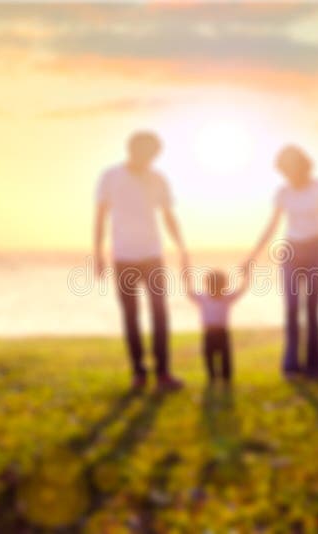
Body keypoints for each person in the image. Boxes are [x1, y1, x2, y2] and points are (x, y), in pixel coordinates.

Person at [94, 131, 188, 392]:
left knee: (160, 313)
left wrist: (182, 247)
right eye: (146, 153)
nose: (150, 159)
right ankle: (138, 372)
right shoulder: (110, 177)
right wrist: (98, 254)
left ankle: (163, 373)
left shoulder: (158, 179)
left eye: (153, 155)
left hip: (152, 256)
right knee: (130, 315)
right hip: (123, 257)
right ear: (132, 150)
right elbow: (100, 216)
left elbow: (168, 214)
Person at [246, 145, 318, 380]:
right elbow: (272, 226)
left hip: (316, 250)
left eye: (290, 169)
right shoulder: (283, 193)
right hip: (291, 252)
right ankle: (290, 366)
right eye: (284, 171)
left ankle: (315, 367)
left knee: (312, 310)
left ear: (302, 165)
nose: (288, 175)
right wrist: (251, 257)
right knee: (290, 308)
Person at [185, 267, 249, 385]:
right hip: (209, 334)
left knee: (225, 357)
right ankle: (212, 377)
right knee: (208, 356)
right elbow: (188, 291)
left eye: (218, 286)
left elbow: (243, 289)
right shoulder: (203, 297)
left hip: (222, 333)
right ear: (207, 285)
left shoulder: (226, 297)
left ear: (224, 286)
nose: (216, 289)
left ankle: (226, 378)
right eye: (213, 286)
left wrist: (247, 274)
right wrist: (186, 273)